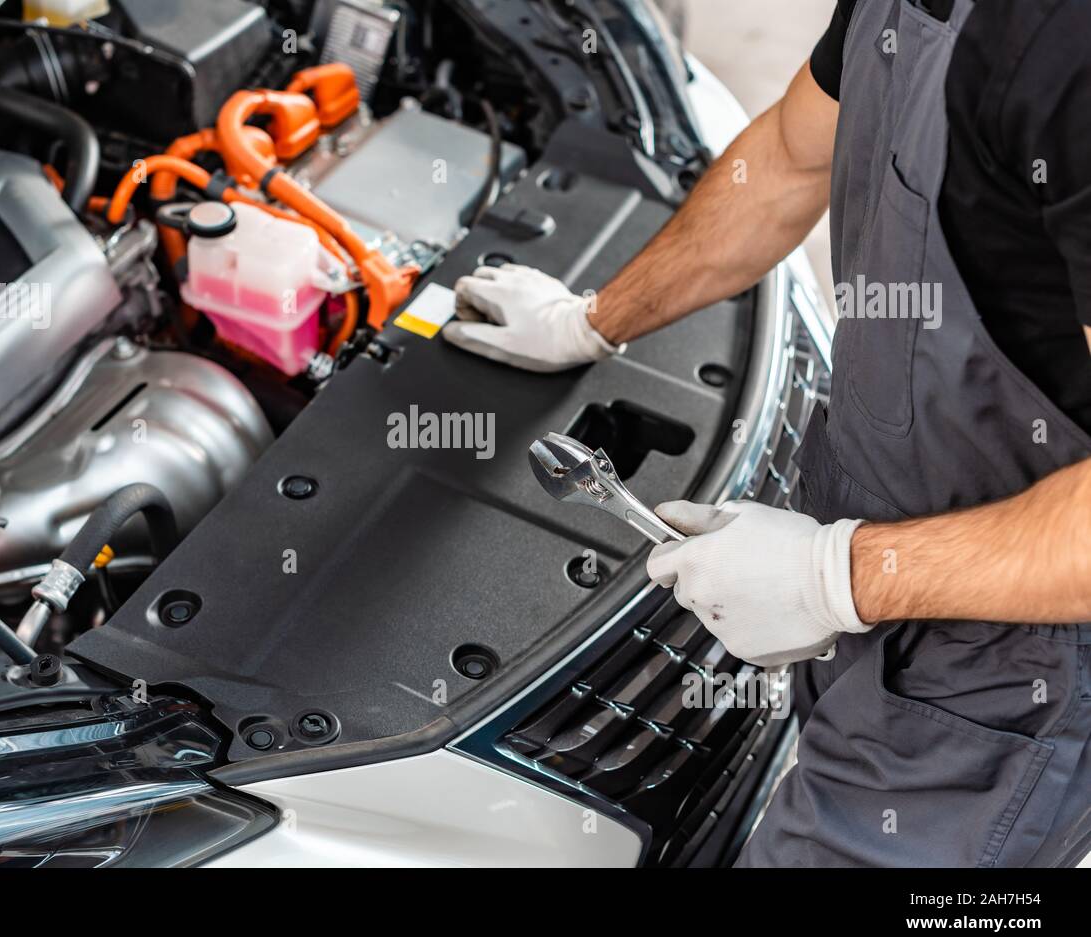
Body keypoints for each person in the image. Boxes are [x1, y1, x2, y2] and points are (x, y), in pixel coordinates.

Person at [444, 0, 1091, 867]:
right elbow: (789, 157)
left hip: (1005, 675)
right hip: (873, 550)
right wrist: (591, 320)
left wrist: (835, 575)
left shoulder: (1066, 52)